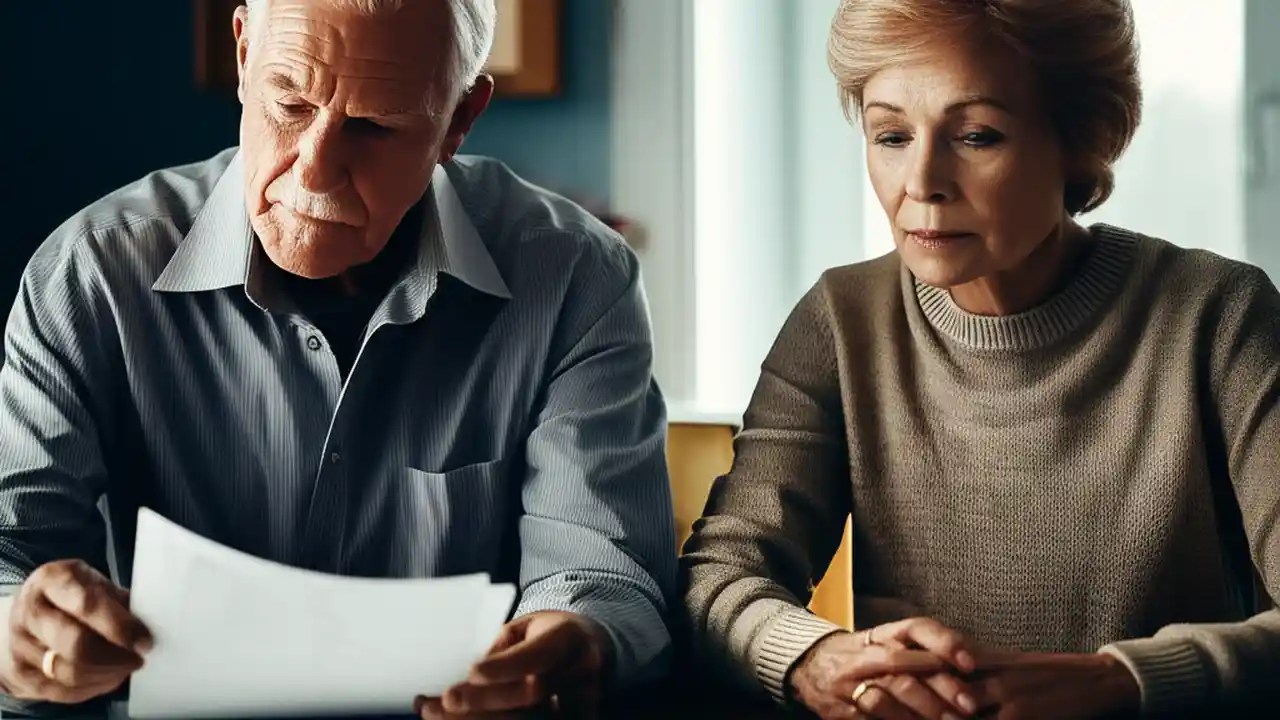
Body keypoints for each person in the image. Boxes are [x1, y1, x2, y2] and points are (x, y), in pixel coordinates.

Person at [0, 0, 676, 716]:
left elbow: (603, 578)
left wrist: (576, 643)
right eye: (289, 104)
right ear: (243, 56)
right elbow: (10, 548)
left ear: (459, 120)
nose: (315, 172)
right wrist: (15, 626)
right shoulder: (94, 272)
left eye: (375, 126)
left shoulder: (573, 278)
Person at [682, 0, 1279, 718]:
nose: (921, 181)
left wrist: (1120, 681)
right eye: (892, 135)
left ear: (1082, 139)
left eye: (975, 136)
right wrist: (813, 658)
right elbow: (720, 576)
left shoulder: (1219, 315)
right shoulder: (841, 321)